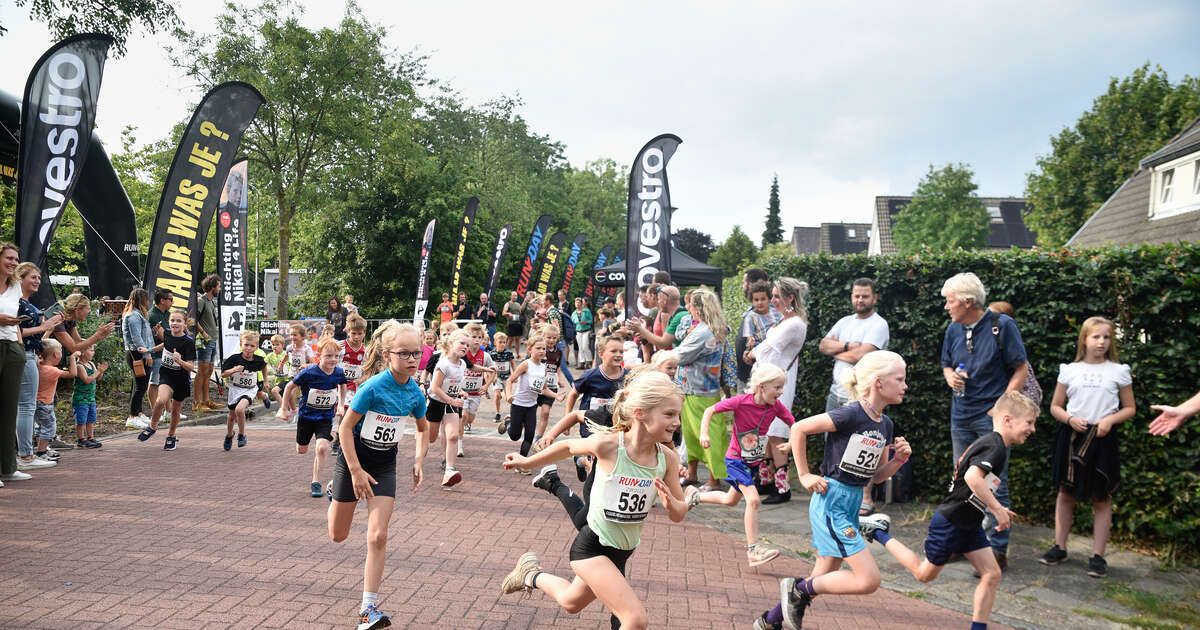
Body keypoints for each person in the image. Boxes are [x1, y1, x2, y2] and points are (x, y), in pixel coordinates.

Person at [499, 370, 688, 630]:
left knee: (570, 602)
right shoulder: (611, 446)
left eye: (677, 414)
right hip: (592, 548)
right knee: (634, 620)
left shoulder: (667, 458)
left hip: (622, 552)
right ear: (640, 412)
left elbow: (679, 513)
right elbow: (567, 448)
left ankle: (530, 575)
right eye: (669, 414)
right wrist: (527, 461)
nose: (676, 422)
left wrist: (672, 504)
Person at [756, 350, 911, 630]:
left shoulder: (885, 424)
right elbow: (800, 429)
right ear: (878, 382)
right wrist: (803, 474)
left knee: (823, 572)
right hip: (832, 499)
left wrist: (898, 461)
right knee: (868, 579)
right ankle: (797, 590)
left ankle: (770, 621)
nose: (905, 386)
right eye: (899, 379)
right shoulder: (851, 413)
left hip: (851, 503)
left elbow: (875, 478)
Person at [860, 391, 1039, 630]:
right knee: (924, 574)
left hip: (968, 522)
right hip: (952, 521)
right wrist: (996, 509)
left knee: (992, 574)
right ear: (1007, 420)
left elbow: (973, 486)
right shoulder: (995, 446)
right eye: (1029, 422)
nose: (1033, 429)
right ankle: (878, 532)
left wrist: (997, 506)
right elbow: (972, 477)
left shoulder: (993, 443)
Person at [326, 320, 429, 630]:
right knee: (338, 535)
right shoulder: (372, 388)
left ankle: (367, 609)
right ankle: (336, 490)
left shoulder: (415, 393)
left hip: (384, 465)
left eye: (417, 353)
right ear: (387, 355)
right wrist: (355, 471)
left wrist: (419, 459)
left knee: (378, 535)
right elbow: (344, 428)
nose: (413, 359)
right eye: (405, 353)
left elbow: (423, 430)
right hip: (353, 459)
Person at [940, 272, 1029, 569]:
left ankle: (997, 549)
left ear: (967, 302)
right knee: (961, 481)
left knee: (994, 483)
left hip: (990, 420)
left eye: (949, 301)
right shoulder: (953, 329)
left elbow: (1020, 369)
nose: (946, 306)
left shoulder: (1002, 326)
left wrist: (1001, 406)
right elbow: (946, 365)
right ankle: (961, 544)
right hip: (960, 414)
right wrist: (950, 376)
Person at [1041, 316, 1135, 578]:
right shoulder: (1070, 370)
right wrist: (1070, 419)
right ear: (1084, 339)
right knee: (1065, 493)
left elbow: (1130, 408)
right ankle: (1060, 546)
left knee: (1101, 498)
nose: (1101, 342)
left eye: (1106, 337)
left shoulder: (1119, 371)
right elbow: (1055, 406)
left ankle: (1098, 556)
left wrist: (1110, 420)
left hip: (1103, 439)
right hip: (1072, 436)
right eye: (1096, 337)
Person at [690, 363, 794, 567]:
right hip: (736, 459)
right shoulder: (741, 401)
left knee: (730, 500)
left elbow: (795, 424)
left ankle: (695, 496)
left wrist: (791, 443)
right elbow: (710, 410)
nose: (781, 392)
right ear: (762, 386)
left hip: (752, 461)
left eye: (782, 387)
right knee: (753, 501)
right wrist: (704, 433)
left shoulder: (776, 407)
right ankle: (753, 550)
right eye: (777, 387)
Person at [818, 277, 890, 515]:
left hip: (863, 397)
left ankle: (865, 497)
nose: (860, 300)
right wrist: (849, 345)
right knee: (832, 444)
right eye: (856, 295)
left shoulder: (879, 325)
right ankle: (831, 491)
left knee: (864, 447)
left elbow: (864, 355)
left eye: (865, 296)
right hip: (836, 393)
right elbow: (822, 346)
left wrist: (839, 350)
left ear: (875, 298)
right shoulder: (844, 322)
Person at [675, 289, 730, 490]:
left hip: (698, 391)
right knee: (692, 435)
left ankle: (714, 480)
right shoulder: (715, 328)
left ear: (698, 308)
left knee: (707, 436)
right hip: (702, 388)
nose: (687, 308)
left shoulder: (702, 331)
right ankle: (692, 473)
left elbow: (681, 355)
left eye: (690, 304)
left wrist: (661, 359)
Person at [281, 337, 348, 497]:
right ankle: (302, 443)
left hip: (325, 417)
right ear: (319, 356)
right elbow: (290, 386)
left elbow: (343, 385)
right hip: (306, 417)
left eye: (336, 356)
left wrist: (340, 404)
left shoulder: (338, 372)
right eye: (328, 356)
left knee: (322, 448)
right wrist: (284, 408)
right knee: (302, 450)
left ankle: (316, 482)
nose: (333, 360)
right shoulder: (309, 372)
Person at [15, 262, 64, 469]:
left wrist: (47, 327)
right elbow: (15, 331)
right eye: (32, 277)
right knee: (26, 406)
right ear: (20, 278)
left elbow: (33, 332)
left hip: (30, 354)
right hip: (22, 354)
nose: (37, 281)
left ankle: (23, 453)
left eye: (38, 278)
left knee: (24, 406)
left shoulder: (27, 303)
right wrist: (43, 326)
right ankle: (25, 454)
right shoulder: (16, 302)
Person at [562, 336, 627, 480]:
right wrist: (567, 420)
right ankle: (591, 494)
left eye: (621, 351)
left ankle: (580, 461)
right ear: (601, 353)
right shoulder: (591, 376)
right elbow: (573, 395)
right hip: (590, 425)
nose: (618, 355)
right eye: (613, 351)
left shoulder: (627, 377)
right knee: (596, 465)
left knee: (608, 458)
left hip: (614, 426)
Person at [137, 310, 195, 450]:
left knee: (175, 410)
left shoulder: (188, 342)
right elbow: (165, 345)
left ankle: (171, 435)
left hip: (181, 379)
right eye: (172, 320)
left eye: (178, 321)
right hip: (166, 375)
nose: (175, 323)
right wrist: (148, 350)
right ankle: (153, 426)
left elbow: (191, 367)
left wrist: (179, 361)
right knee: (161, 400)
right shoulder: (167, 334)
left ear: (184, 323)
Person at [503, 332, 562, 469]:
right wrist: (508, 395)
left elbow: (543, 389)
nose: (542, 351)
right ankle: (508, 422)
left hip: (531, 406)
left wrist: (556, 396)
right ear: (530, 349)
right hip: (518, 404)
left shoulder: (544, 367)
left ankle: (521, 464)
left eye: (543, 348)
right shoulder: (526, 364)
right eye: (538, 348)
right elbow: (510, 380)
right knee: (514, 436)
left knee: (529, 436)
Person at [427, 328, 469, 487]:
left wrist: (461, 392)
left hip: (452, 403)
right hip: (436, 403)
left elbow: (454, 385)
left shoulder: (463, 364)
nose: (465, 347)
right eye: (462, 343)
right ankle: (421, 442)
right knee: (430, 438)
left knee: (452, 436)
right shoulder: (443, 364)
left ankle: (449, 471)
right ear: (451, 343)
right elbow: (435, 387)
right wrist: (451, 400)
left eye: (467, 344)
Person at [0, 243, 28, 485]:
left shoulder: (16, 286)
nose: (13, 262)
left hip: (11, 348)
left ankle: (8, 467)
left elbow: (16, 321)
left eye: (16, 259)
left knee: (9, 410)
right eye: (9, 258)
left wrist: (19, 347)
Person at [220, 330, 268, 451]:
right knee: (231, 416)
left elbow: (264, 366)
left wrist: (266, 380)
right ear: (241, 344)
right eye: (246, 345)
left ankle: (242, 435)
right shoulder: (234, 359)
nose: (248, 348)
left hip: (250, 389)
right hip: (235, 389)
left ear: (256, 347)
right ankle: (229, 435)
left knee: (240, 410)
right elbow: (223, 374)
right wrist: (234, 370)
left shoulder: (258, 359)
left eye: (252, 346)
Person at [33, 339, 76, 463]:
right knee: (49, 427)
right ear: (56, 355)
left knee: (39, 427)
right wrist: (72, 358)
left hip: (35, 402)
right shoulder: (53, 371)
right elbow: (72, 373)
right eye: (61, 351)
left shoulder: (37, 365)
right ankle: (41, 452)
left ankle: (43, 447)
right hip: (45, 404)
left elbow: (41, 345)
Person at [458, 322, 496, 454]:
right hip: (462, 393)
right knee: (462, 417)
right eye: (473, 337)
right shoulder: (462, 353)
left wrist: (486, 385)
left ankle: (467, 423)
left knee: (469, 418)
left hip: (476, 394)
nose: (477, 340)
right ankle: (459, 446)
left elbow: (493, 371)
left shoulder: (485, 356)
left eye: (479, 337)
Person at [122, 288, 156, 430]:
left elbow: (142, 335)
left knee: (140, 385)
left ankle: (139, 412)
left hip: (140, 352)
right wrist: (146, 354)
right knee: (140, 386)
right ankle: (132, 416)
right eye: (146, 299)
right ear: (142, 300)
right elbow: (136, 338)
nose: (148, 302)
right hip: (137, 354)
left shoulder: (138, 315)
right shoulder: (133, 316)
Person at [736, 270, 778, 386]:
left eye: (744, 282)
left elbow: (769, 342)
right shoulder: (752, 312)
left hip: (758, 376)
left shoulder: (771, 314)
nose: (742, 286)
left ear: (752, 284)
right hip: (747, 375)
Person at [193, 274, 222, 411]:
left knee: (209, 370)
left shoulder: (211, 301)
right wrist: (203, 333)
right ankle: (197, 402)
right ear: (212, 287)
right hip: (205, 340)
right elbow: (193, 320)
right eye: (218, 286)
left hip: (212, 339)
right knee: (202, 371)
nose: (220, 289)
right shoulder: (202, 300)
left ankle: (206, 400)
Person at [71, 345, 107, 448]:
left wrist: (101, 372)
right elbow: (87, 380)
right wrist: (98, 372)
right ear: (82, 352)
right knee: (81, 420)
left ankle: (90, 437)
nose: (93, 352)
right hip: (81, 399)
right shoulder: (79, 366)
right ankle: (81, 439)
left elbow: (97, 378)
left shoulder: (91, 364)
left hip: (91, 398)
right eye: (91, 350)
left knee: (91, 419)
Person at [147, 288, 173, 419]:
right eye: (170, 299)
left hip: (167, 354)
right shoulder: (153, 315)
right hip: (156, 355)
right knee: (154, 383)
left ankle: (168, 411)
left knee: (166, 383)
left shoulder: (167, 314)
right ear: (162, 300)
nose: (172, 302)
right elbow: (164, 336)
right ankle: (155, 412)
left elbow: (171, 334)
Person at [489, 332, 515, 425]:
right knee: (497, 395)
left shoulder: (508, 353)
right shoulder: (492, 354)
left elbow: (512, 363)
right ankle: (498, 413)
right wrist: (493, 376)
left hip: (507, 378)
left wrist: (515, 375)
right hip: (497, 377)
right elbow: (490, 366)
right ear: (495, 342)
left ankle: (514, 413)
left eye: (504, 342)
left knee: (508, 396)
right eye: (500, 342)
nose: (503, 344)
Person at [573, 298, 594, 369]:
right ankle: (581, 362)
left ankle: (589, 361)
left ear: (581, 303)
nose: (577, 304)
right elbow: (572, 321)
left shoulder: (586, 311)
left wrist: (586, 322)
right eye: (576, 303)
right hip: (578, 331)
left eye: (579, 302)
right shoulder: (574, 313)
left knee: (585, 346)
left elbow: (591, 320)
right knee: (580, 347)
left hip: (586, 330)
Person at [503, 291, 524, 359]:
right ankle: (506, 354)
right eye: (513, 295)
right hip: (511, 324)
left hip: (518, 324)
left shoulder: (518, 304)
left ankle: (518, 354)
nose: (515, 297)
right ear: (511, 296)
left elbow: (521, 313)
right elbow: (503, 313)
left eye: (516, 296)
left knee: (518, 340)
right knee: (510, 340)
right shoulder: (508, 303)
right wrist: (508, 314)